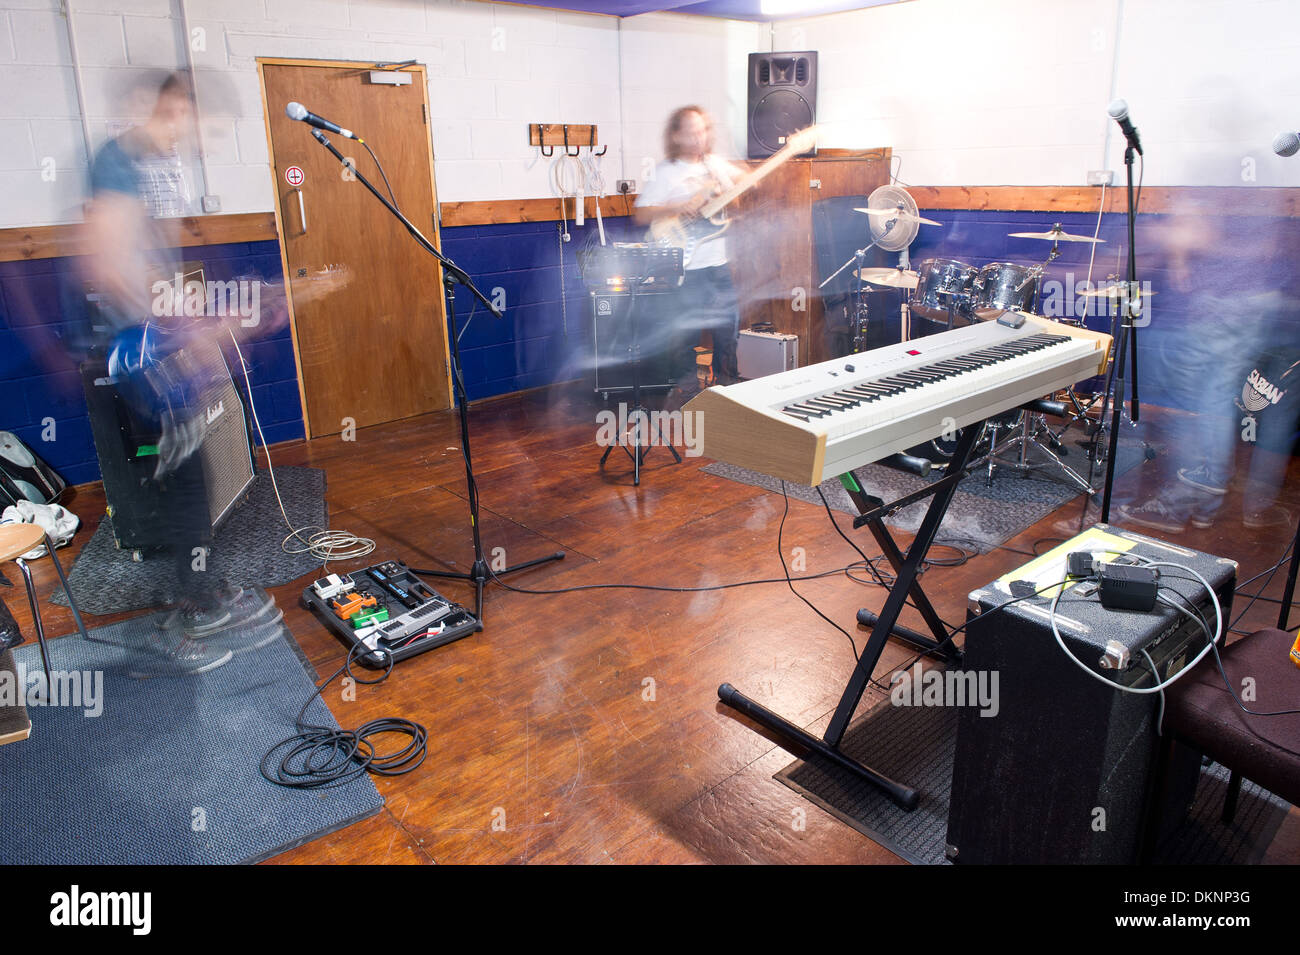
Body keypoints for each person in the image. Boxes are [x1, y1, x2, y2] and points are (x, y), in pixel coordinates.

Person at [77, 73, 273, 676]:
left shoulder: (136, 170)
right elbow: (107, 265)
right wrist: (179, 325)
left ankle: (202, 593)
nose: (194, 139)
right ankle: (188, 609)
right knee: (185, 481)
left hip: (153, 342)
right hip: (140, 354)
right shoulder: (115, 164)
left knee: (192, 474)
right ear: (172, 110)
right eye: (193, 124)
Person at [634, 106, 746, 393]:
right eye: (691, 131)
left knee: (728, 334)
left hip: (718, 265)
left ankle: (729, 395)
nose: (699, 137)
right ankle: (688, 397)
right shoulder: (666, 172)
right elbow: (641, 215)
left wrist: (728, 198)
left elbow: (741, 196)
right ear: (676, 135)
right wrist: (679, 206)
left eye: (703, 130)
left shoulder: (716, 166)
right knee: (684, 338)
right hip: (686, 269)